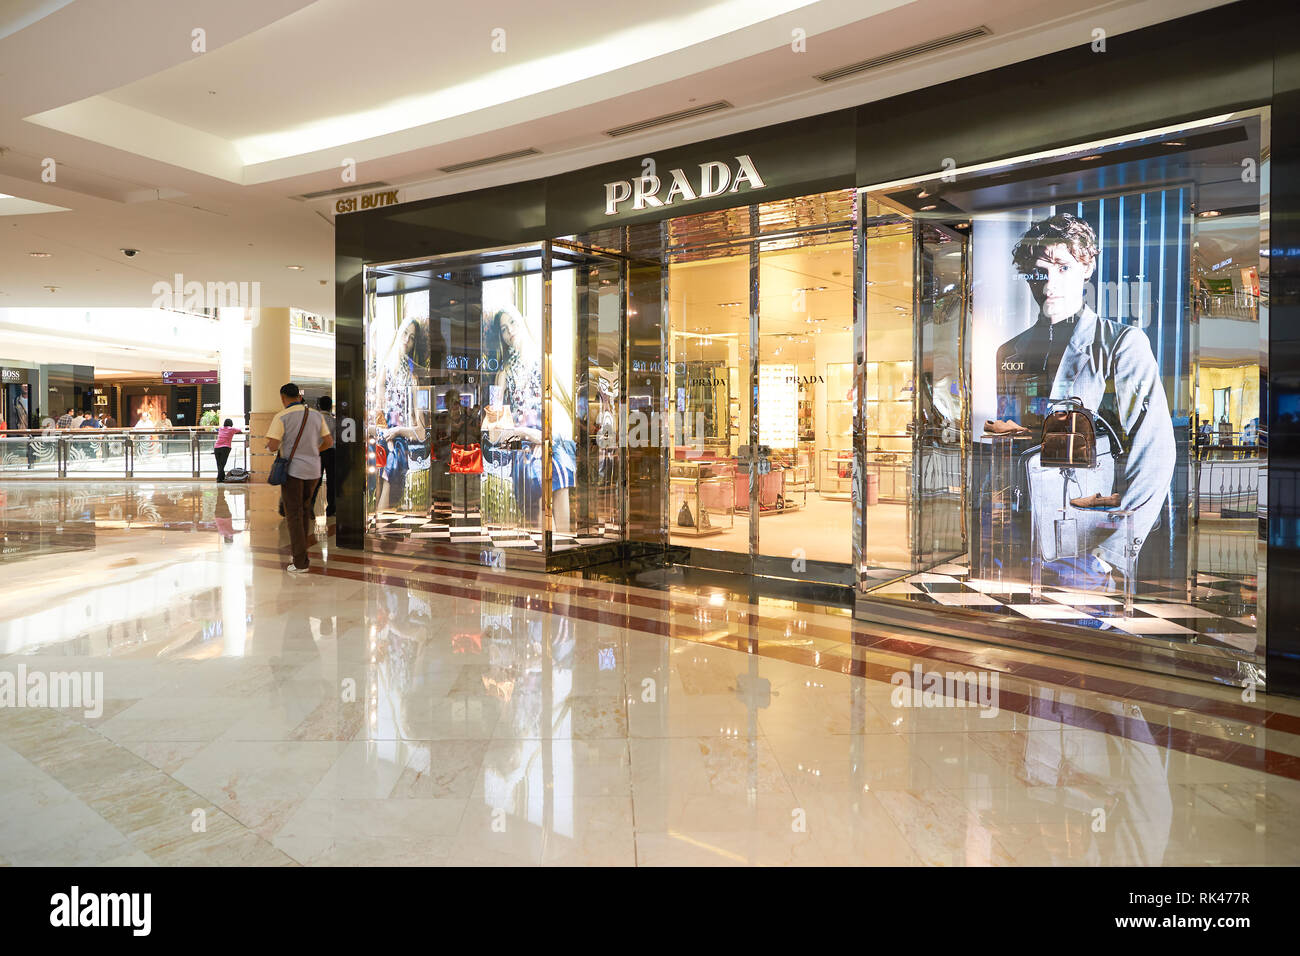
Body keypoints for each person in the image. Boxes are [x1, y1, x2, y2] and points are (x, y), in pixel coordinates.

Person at [995, 212, 1174, 585]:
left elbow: (1154, 450)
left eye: (1062, 267)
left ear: (1087, 267)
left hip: (1082, 547)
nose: (1048, 284)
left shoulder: (1121, 345)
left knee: (1083, 641)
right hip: (1015, 544)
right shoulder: (1010, 352)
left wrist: (1108, 556)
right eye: (1039, 271)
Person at [483, 304, 576, 531]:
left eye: (512, 324)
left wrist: (543, 437)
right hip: (520, 439)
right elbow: (494, 418)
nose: (509, 332)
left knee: (558, 468)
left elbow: (558, 408)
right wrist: (522, 433)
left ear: (521, 322)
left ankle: (561, 544)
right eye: (503, 329)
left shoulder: (543, 363)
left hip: (546, 435)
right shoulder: (504, 372)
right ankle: (548, 546)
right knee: (536, 471)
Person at [266, 382, 332, 573]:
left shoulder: (282, 416)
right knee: (304, 510)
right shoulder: (316, 415)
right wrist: (312, 452)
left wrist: (272, 446)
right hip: (314, 470)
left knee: (293, 515)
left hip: (293, 471)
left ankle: (301, 562)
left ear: (282, 398)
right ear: (299, 397)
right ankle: (302, 555)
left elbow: (272, 445)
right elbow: (328, 442)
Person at [309, 396, 338, 517]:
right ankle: (331, 509)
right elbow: (335, 440)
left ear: (319, 406)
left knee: (315, 481)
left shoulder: (313, 420)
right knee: (332, 481)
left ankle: (310, 506)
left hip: (317, 452)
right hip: (331, 453)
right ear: (330, 406)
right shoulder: (334, 421)